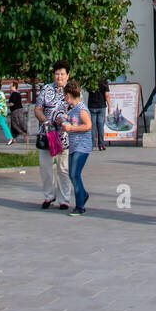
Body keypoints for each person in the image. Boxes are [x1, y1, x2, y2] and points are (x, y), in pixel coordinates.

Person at [34, 61, 72, 209]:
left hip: (65, 136)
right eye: (57, 74)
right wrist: (46, 121)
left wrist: (67, 121)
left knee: (63, 168)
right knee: (46, 167)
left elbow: (78, 110)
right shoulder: (46, 89)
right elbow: (38, 109)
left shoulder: (72, 90)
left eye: (62, 74)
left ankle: (64, 199)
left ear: (68, 75)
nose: (59, 77)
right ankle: (49, 195)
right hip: (47, 134)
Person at [64, 80, 93, 215]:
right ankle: (83, 194)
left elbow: (88, 125)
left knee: (75, 174)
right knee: (72, 174)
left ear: (69, 95)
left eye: (65, 96)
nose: (65, 99)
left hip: (82, 146)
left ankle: (80, 206)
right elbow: (71, 121)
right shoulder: (73, 110)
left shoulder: (81, 109)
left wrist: (71, 128)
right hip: (74, 146)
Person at [87, 80, 111, 151]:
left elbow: (87, 89)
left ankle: (91, 145)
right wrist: (109, 106)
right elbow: (107, 95)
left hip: (92, 106)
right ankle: (101, 145)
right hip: (101, 106)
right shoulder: (104, 81)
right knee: (101, 126)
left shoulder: (91, 80)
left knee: (92, 127)